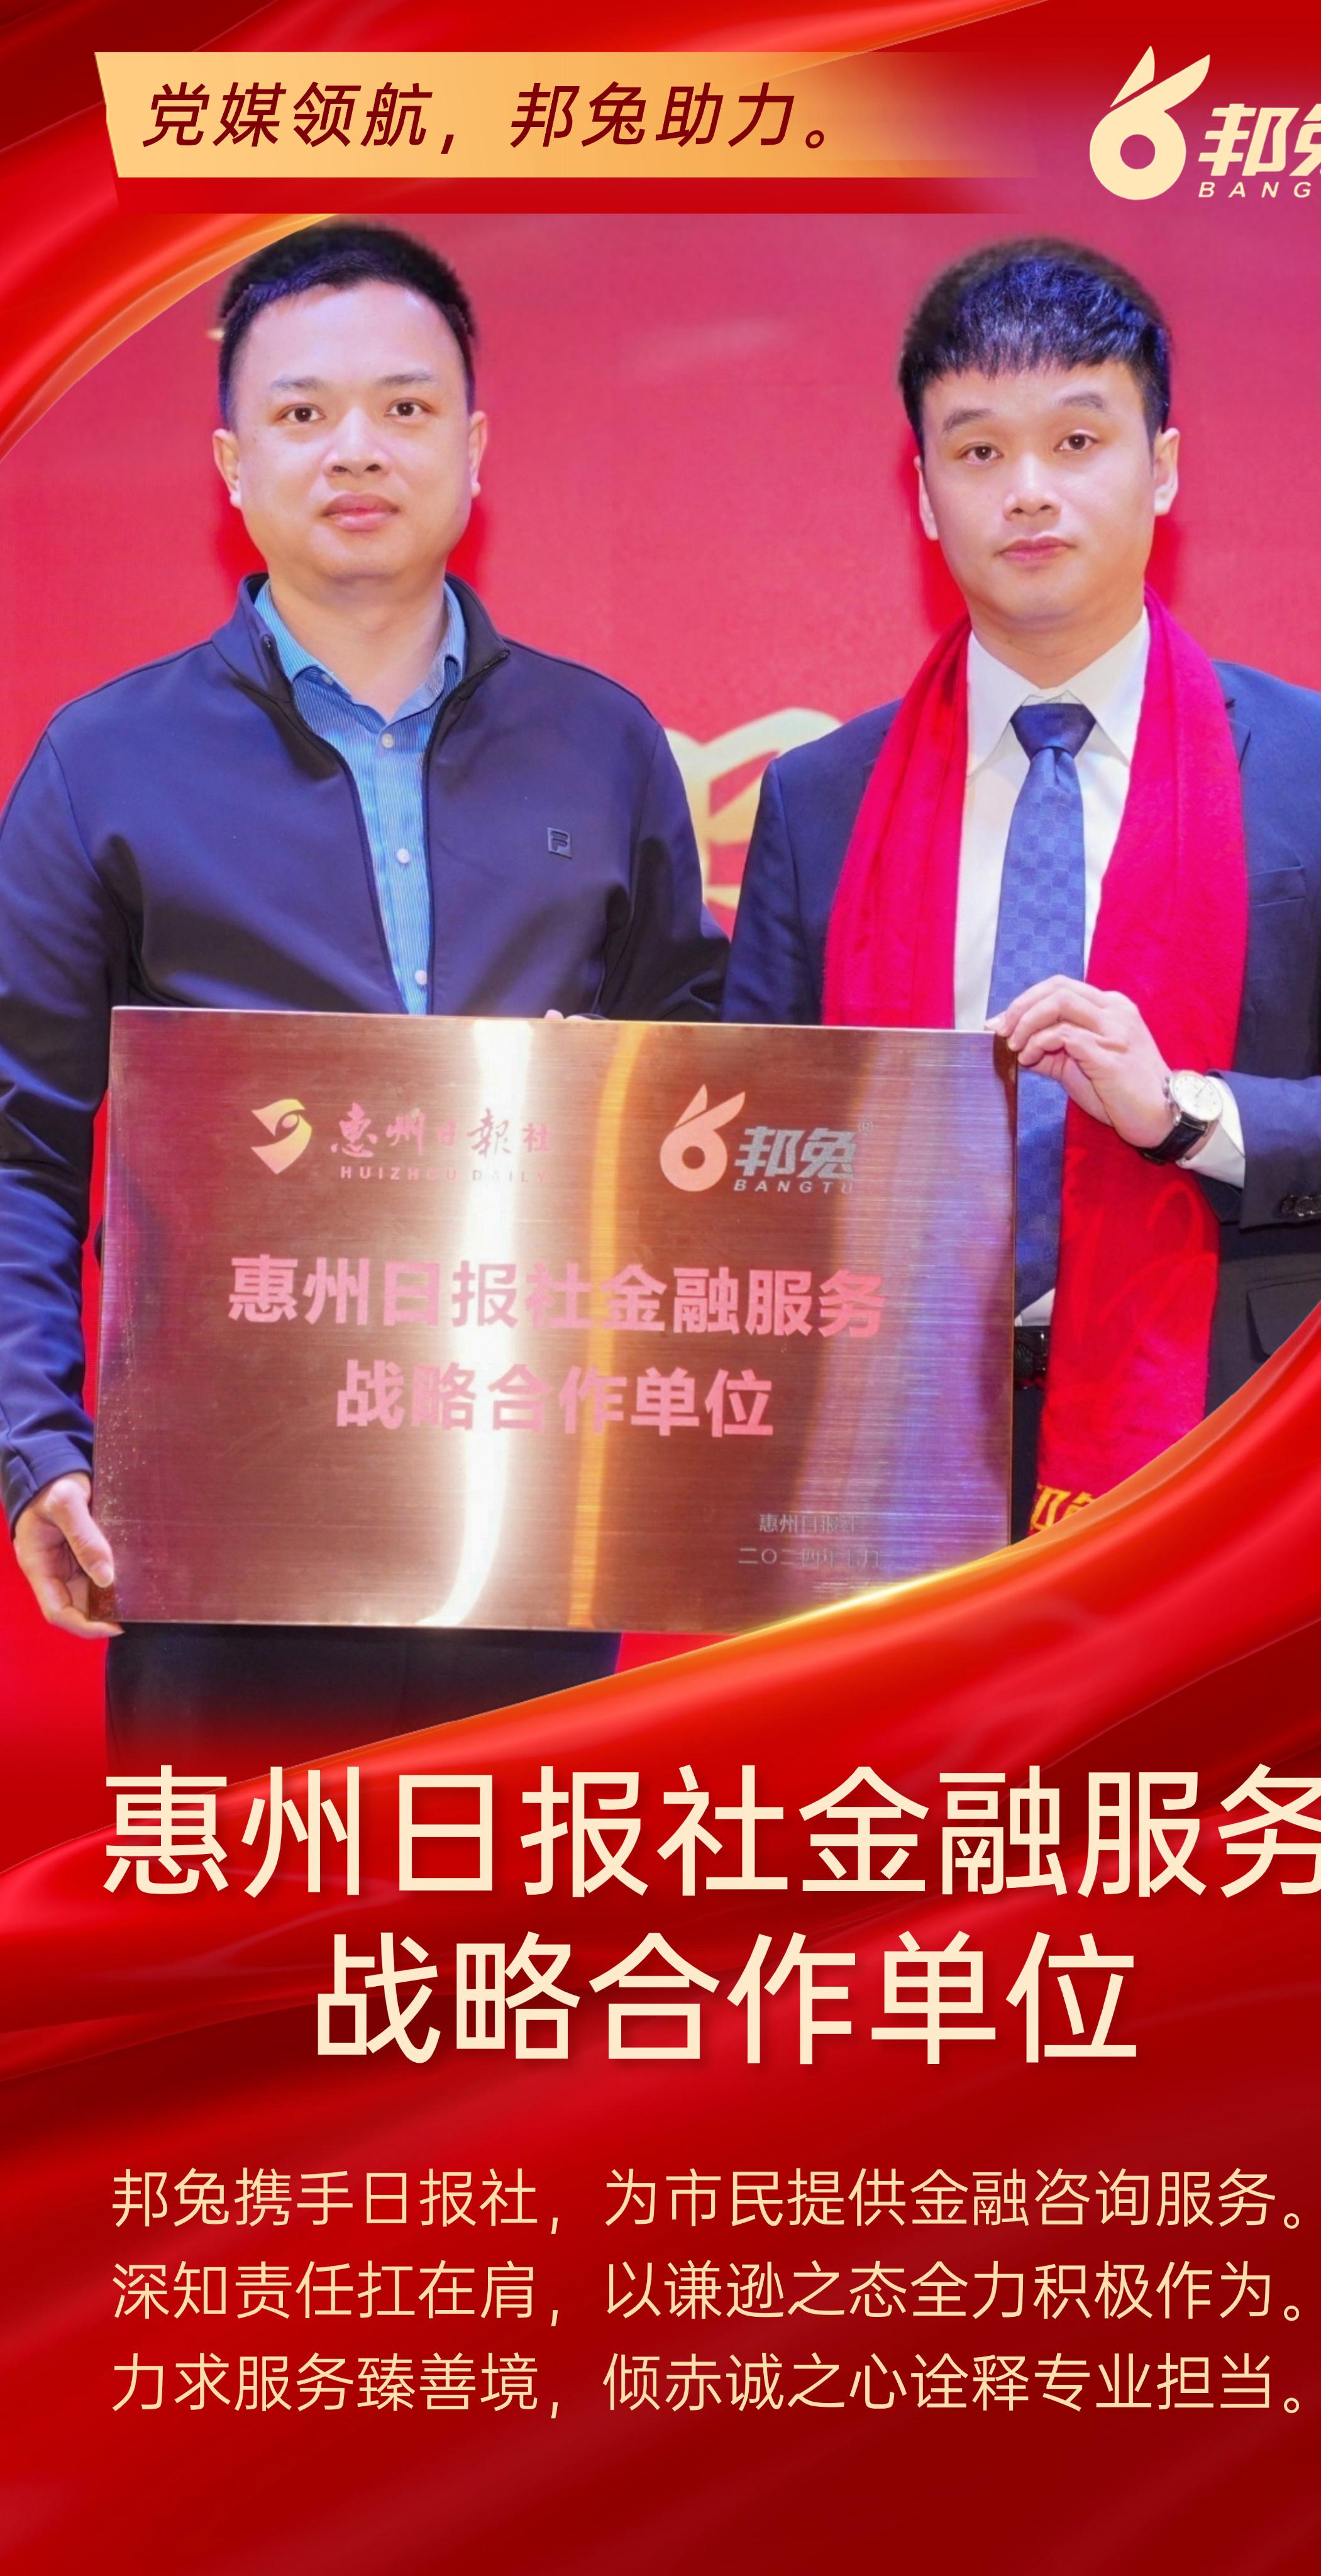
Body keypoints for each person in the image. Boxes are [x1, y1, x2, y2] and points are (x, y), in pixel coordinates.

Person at [0, 221, 725, 1758]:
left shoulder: (604, 746)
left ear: (473, 448)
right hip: (221, 1509)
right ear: (232, 462)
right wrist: (35, 1443)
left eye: (405, 407)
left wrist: (615, 1100)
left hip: (533, 1492)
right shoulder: (103, 764)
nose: (356, 449)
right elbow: (19, 1144)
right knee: (236, 1908)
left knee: (508, 1892)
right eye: (302, 410)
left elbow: (706, 1086)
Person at [724, 236, 1321, 1541]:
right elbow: (754, 1133)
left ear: (1162, 467)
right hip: (885, 1424)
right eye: (979, 450)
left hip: (1227, 1416)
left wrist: (1188, 1113)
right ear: (925, 494)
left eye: (1076, 440)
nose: (1029, 493)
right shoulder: (822, 797)